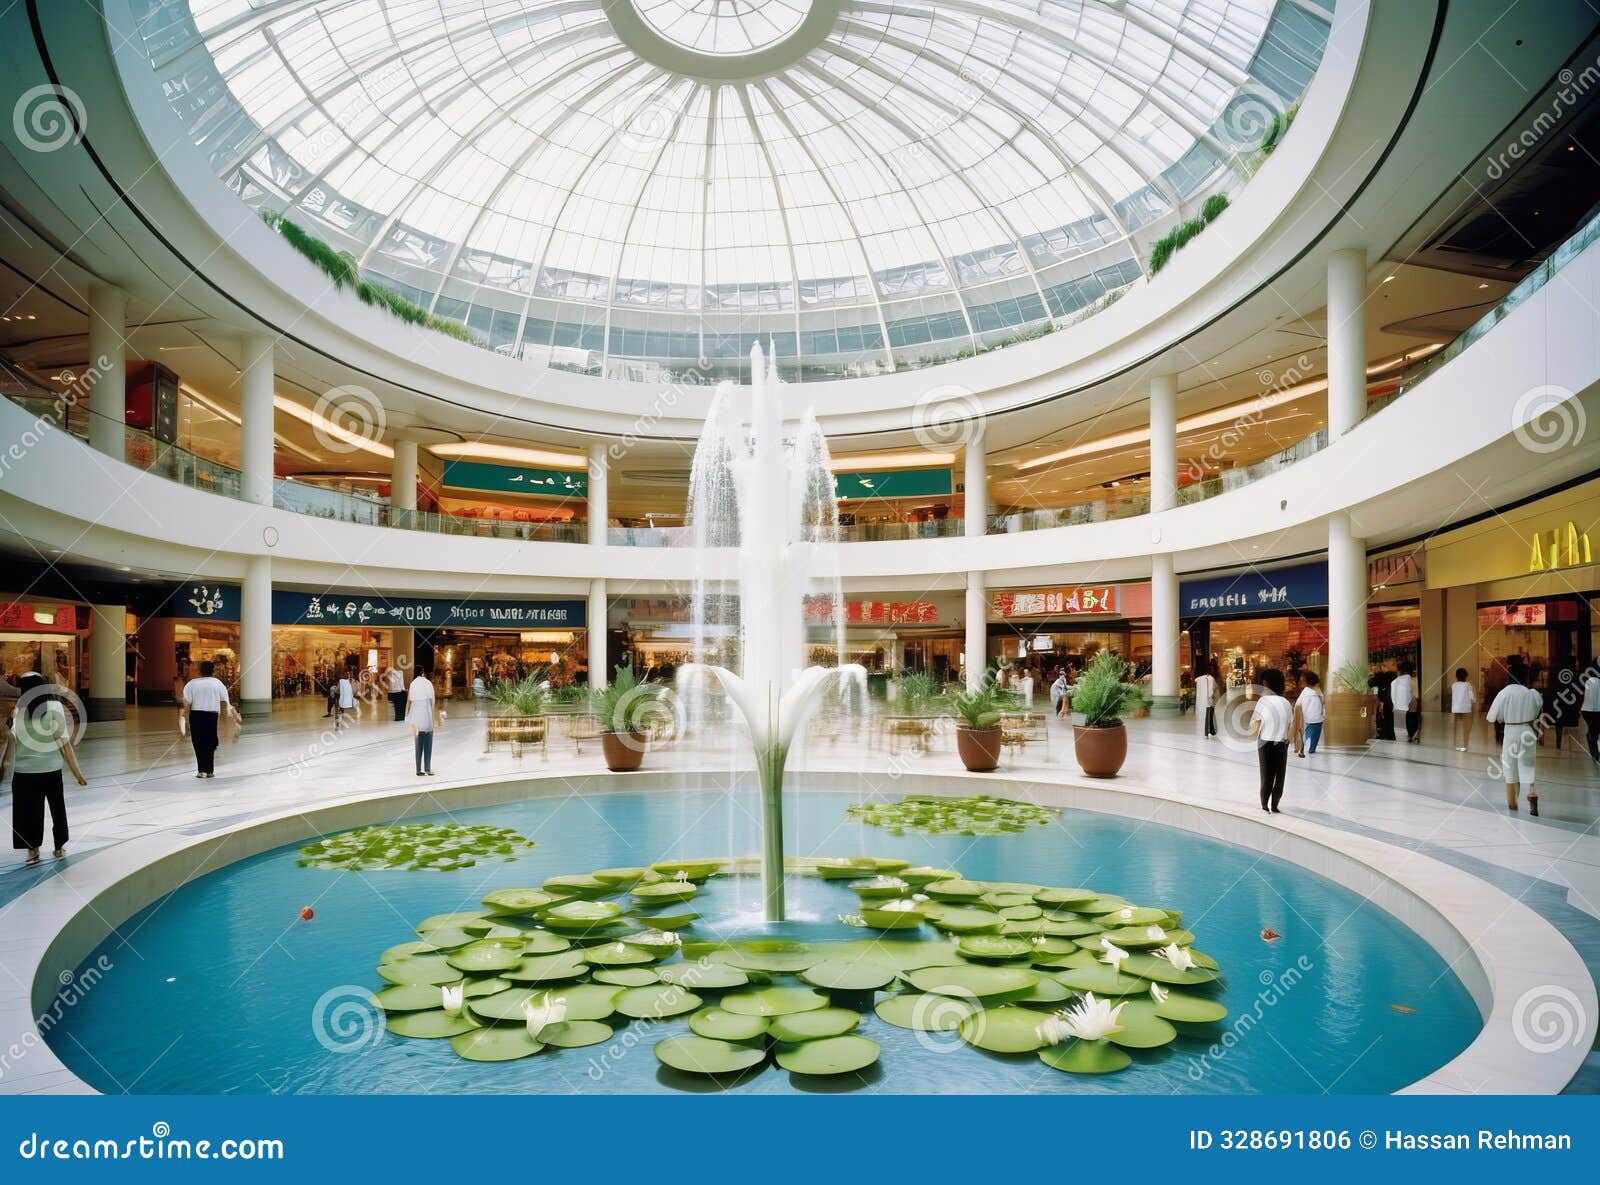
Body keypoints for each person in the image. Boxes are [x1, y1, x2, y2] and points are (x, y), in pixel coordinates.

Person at [9, 674, 87, 865]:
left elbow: (10, 742)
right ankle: (59, 847)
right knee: (57, 808)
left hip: (23, 772)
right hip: (51, 770)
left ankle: (32, 850)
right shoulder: (55, 707)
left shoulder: (17, 710)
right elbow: (64, 744)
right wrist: (78, 774)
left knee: (27, 812)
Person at [1485, 662, 1545, 815]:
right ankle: (1532, 792)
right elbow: (1538, 709)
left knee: (1510, 768)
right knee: (1528, 764)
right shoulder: (1532, 693)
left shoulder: (1504, 693)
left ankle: (1513, 805)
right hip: (1528, 730)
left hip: (1511, 730)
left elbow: (1496, 717)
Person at [1250, 668, 1296, 813]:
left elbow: (1257, 723)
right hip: (1281, 743)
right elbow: (1292, 725)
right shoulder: (1286, 703)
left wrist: (1254, 738)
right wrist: (1288, 741)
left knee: (1266, 775)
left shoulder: (1263, 701)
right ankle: (1275, 805)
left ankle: (1264, 804)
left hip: (1264, 743)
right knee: (1280, 775)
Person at [181, 660, 235, 779]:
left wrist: (186, 719)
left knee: (198, 742)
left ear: (199, 670)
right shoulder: (217, 683)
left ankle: (202, 771)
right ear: (213, 671)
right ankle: (210, 770)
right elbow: (224, 701)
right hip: (212, 715)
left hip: (196, 715)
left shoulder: (191, 684)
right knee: (210, 742)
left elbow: (187, 705)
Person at [406, 664, 440, 776]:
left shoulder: (412, 684)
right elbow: (432, 701)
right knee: (428, 743)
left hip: (415, 719)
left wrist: (407, 717)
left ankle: (418, 770)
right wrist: (434, 717)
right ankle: (428, 768)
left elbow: (409, 702)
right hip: (427, 717)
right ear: (423, 672)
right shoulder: (428, 683)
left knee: (418, 744)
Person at [1547, 661, 1582, 752]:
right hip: (1567, 703)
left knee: (1559, 724)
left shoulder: (1556, 677)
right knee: (1564, 724)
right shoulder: (1573, 677)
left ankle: (1558, 743)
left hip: (1559, 703)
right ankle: (1561, 743)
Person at [1295, 671, 1324, 756]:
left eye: (1302, 680)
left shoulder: (1306, 692)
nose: (1301, 682)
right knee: (1311, 746)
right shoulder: (1317, 691)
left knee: (1309, 745)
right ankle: (1308, 749)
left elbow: (1297, 704)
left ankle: (1305, 749)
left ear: (1307, 681)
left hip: (1309, 720)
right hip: (1317, 720)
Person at [1391, 659, 1419, 743]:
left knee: (1401, 731)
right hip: (1411, 709)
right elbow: (1416, 696)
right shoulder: (1413, 681)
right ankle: (1412, 737)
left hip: (1398, 709)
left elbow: (1393, 697)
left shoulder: (1394, 682)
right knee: (1411, 727)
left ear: (1400, 671)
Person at [1450, 667, 1476, 752]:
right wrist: (1474, 704)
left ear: (1456, 676)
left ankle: (1456, 744)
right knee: (1466, 728)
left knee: (1456, 727)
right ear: (1466, 676)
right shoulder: (1468, 685)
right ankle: (1465, 745)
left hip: (1455, 708)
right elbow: (1472, 698)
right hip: (1466, 709)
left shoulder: (1453, 685)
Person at [1194, 660, 1218, 739]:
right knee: (1209, 717)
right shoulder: (1211, 679)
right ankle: (1209, 731)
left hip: (1201, 702)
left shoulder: (1199, 680)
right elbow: (1212, 690)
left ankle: (1205, 733)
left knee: (1203, 717)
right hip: (1208, 702)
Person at [1582, 663, 1600, 763]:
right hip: (1596, 711)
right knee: (1594, 732)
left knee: (1593, 731)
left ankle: (1595, 754)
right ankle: (1595, 754)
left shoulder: (1589, 681)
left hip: (1587, 710)